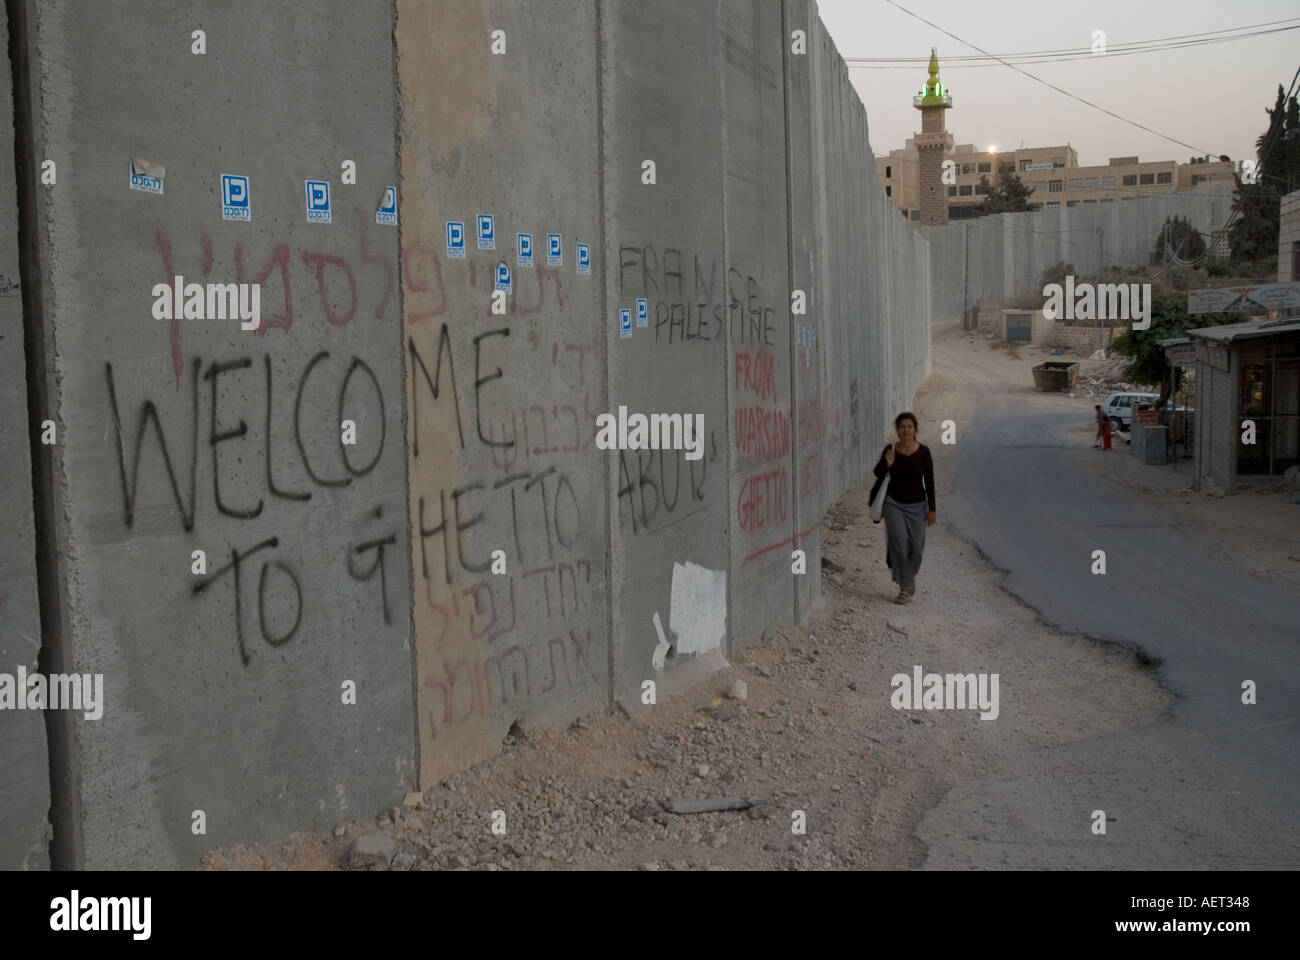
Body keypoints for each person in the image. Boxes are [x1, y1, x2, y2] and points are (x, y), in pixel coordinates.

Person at [870, 413, 936, 604]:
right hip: (893, 503)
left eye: (909, 427)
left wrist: (932, 509)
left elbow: (930, 482)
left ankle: (909, 578)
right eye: (902, 427)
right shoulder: (890, 450)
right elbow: (878, 473)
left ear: (915, 430)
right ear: (897, 430)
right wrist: (887, 463)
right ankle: (904, 588)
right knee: (898, 542)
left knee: (916, 547)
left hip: (917, 505)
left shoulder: (924, 452)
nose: (906, 430)